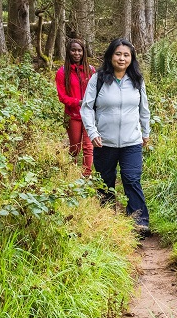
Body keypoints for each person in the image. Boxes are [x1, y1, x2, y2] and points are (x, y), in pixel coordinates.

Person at [80, 38, 151, 231]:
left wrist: (146, 132)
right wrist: (92, 132)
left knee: (132, 179)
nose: (122, 58)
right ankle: (107, 220)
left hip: (132, 142)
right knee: (105, 181)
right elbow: (86, 108)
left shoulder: (137, 79)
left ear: (131, 58)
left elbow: (143, 109)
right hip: (104, 142)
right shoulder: (99, 79)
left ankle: (139, 222)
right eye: (118, 54)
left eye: (126, 55)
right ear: (111, 56)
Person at [55, 38, 95, 177]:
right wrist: (78, 102)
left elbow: (97, 91)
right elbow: (62, 97)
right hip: (73, 115)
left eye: (79, 50)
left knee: (88, 147)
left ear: (83, 52)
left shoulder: (90, 71)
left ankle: (86, 176)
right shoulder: (62, 72)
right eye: (73, 50)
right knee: (75, 147)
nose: (76, 53)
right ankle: (72, 171)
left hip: (89, 115)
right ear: (68, 52)